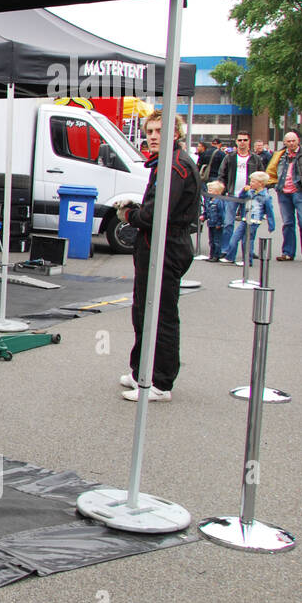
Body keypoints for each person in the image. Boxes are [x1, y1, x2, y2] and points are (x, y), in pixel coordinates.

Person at [118, 112, 200, 402]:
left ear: (174, 134)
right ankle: (142, 369)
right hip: (155, 244)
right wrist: (137, 209)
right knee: (142, 310)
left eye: (159, 131)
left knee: (161, 315)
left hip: (167, 246)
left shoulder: (176, 166)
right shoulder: (165, 163)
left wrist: (130, 213)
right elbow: (154, 209)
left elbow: (157, 214)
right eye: (150, 131)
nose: (153, 136)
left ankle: (161, 383)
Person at [215, 132, 263, 258]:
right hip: (232, 194)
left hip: (249, 197)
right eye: (240, 140)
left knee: (248, 224)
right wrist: (221, 189)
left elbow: (261, 176)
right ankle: (226, 250)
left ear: (249, 141)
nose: (242, 142)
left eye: (245, 140)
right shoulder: (229, 157)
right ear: (236, 141)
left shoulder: (255, 158)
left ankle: (248, 251)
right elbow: (222, 174)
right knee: (228, 223)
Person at [221, 171, 275, 264]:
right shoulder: (250, 192)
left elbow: (270, 211)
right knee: (235, 237)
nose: (251, 183)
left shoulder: (266, 196)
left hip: (254, 221)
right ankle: (230, 257)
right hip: (245, 218)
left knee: (247, 240)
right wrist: (244, 190)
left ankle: (247, 260)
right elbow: (241, 198)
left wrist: (271, 225)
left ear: (261, 184)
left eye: (253, 182)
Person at [265, 130, 302, 260]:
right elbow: (271, 170)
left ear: (298, 141)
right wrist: (272, 184)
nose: (291, 143)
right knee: (287, 223)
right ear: (285, 142)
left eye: (294, 141)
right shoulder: (279, 155)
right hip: (283, 192)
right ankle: (288, 252)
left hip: (300, 191)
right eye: (289, 141)